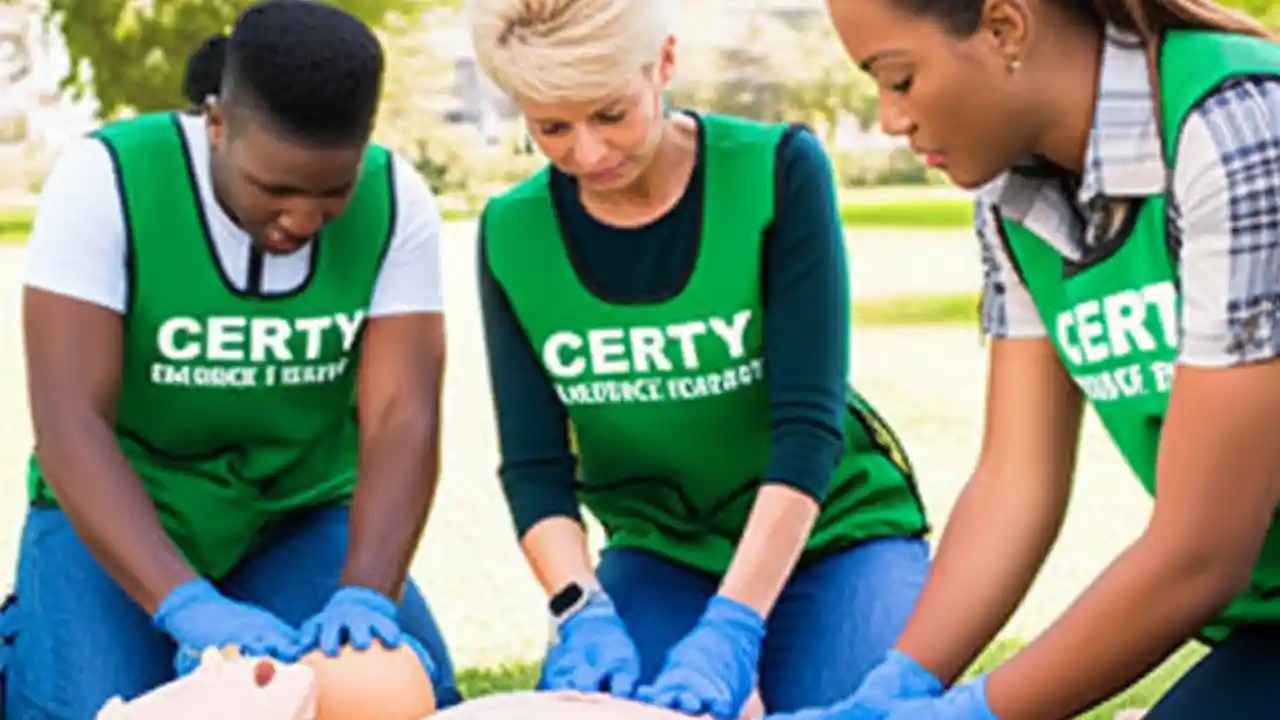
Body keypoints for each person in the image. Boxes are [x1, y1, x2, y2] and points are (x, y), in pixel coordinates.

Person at [766, 1, 1280, 719]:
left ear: (1005, 27)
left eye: (900, 79)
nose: (889, 119)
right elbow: (1017, 479)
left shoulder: (1239, 128)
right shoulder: (1012, 195)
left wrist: (972, 713)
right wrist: (899, 684)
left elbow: (1201, 552)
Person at [466, 1, 934, 718]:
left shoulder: (776, 171)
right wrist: (579, 607)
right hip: (664, 549)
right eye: (552, 128)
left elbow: (807, 428)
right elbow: (535, 468)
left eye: (611, 114)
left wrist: (733, 625)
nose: (588, 154)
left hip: (835, 533)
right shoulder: (512, 231)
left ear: (663, 64)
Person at [0, 1, 464, 716]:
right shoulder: (108, 178)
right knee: (98, 707)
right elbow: (69, 420)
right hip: (124, 508)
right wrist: (184, 602)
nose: (301, 218)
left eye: (332, 191)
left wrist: (368, 591)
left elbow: (402, 418)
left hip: (293, 512)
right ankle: (27, 639)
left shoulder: (395, 199)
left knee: (399, 694)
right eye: (274, 188)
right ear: (217, 124)